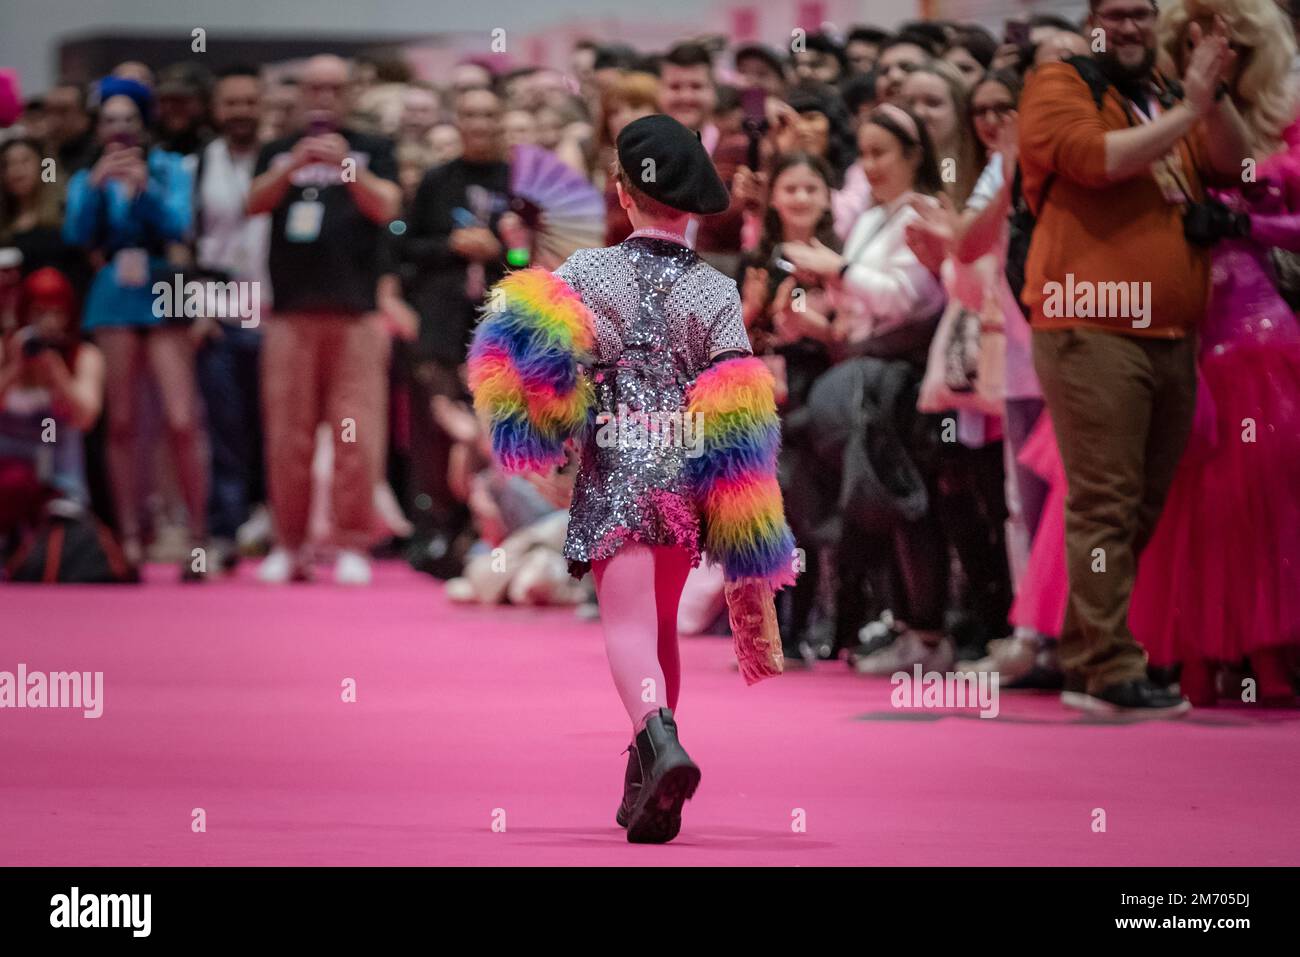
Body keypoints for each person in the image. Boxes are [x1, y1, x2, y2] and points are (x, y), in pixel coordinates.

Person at [468, 114, 795, 843]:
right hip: (682, 479)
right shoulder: (715, 292)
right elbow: (740, 410)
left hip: (615, 467)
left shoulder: (584, 274)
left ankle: (656, 735)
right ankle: (651, 782)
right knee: (661, 628)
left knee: (625, 626)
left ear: (621, 192)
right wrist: (741, 521)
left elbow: (531, 371)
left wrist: (549, 450)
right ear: (693, 205)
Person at [1017, 0, 1250, 715]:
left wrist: (1208, 102)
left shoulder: (1170, 93)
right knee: (1107, 500)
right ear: (1092, 21)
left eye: (1142, 14)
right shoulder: (1059, 84)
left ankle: (1091, 655)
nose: (1128, 27)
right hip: (1090, 325)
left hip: (1173, 333)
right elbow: (1097, 161)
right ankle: (1107, 666)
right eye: (1114, 13)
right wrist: (1190, 110)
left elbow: (1234, 163)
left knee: (1139, 501)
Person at [1129, 0, 1300, 704]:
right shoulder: (1156, 112)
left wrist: (1240, 219)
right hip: (1179, 327)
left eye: (1225, 39)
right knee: (1192, 502)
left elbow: (1283, 201)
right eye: (1196, 38)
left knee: (1262, 493)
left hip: (1257, 330)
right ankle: (1201, 655)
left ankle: (1267, 654)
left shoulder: (1285, 118)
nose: (1211, 48)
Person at [246, 54, 402, 586]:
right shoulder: (276, 151)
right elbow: (253, 203)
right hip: (289, 315)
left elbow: (388, 207)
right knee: (287, 437)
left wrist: (348, 168)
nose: (322, 99)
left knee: (356, 437)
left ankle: (352, 542)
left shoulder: (374, 148)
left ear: (351, 93)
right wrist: (292, 165)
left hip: (356, 315)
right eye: (313, 88)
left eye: (333, 90)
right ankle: (288, 545)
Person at [62, 77, 205, 576]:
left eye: (129, 120)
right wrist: (98, 189)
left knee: (181, 418)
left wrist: (142, 191)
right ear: (99, 128)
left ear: (142, 126)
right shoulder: (86, 177)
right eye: (110, 121)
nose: (120, 130)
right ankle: (128, 537)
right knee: (120, 422)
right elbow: (76, 236)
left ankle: (197, 538)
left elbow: (178, 224)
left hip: (162, 284)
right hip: (112, 291)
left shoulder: (169, 168)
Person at [399, 85, 511, 572]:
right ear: (457, 122)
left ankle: (487, 533)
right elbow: (409, 250)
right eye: (470, 115)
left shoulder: (520, 181)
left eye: (489, 116)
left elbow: (541, 255)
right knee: (435, 434)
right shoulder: (435, 181)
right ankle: (435, 535)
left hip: (503, 328)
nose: (480, 125)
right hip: (443, 327)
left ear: (501, 122)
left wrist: (503, 253)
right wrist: (452, 244)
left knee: (495, 432)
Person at [191, 65, 271, 573]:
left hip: (274, 307)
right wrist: (196, 306)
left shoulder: (282, 157)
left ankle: (268, 525)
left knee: (272, 426)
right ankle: (222, 530)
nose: (240, 111)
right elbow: (186, 240)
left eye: (249, 102)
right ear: (217, 109)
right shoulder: (199, 164)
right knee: (223, 427)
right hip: (218, 311)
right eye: (231, 102)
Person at [0, 267, 104, 533]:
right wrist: (13, 370)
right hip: (7, 483)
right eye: (40, 312)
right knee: (14, 482)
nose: (50, 322)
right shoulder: (7, 351)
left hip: (60, 486)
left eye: (58, 313)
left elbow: (86, 418)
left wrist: (58, 375)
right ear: (25, 313)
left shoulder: (83, 356)